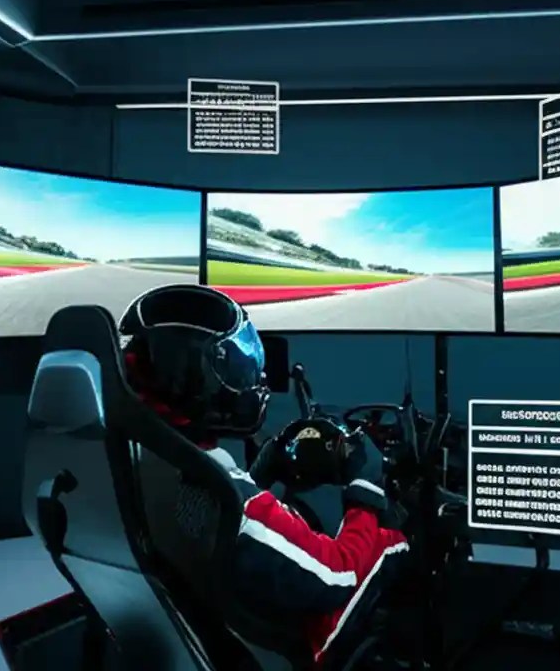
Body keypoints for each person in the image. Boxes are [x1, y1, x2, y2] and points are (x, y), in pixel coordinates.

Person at [117, 284, 410, 667]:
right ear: (194, 378)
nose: (250, 379)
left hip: (203, 629)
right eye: (231, 366)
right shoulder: (236, 504)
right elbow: (338, 575)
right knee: (392, 541)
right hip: (270, 648)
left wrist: (261, 472)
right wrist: (365, 489)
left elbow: (220, 527)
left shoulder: (138, 461)